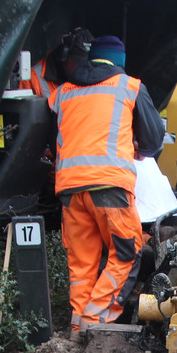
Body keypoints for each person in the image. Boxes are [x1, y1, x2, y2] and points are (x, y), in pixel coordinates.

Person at [48, 35, 165, 336]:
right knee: (127, 251)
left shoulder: (63, 92)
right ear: (120, 62)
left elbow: (58, 138)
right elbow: (153, 142)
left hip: (70, 190)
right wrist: (135, 144)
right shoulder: (128, 86)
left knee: (82, 263)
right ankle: (95, 322)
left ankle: (77, 329)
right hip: (110, 187)